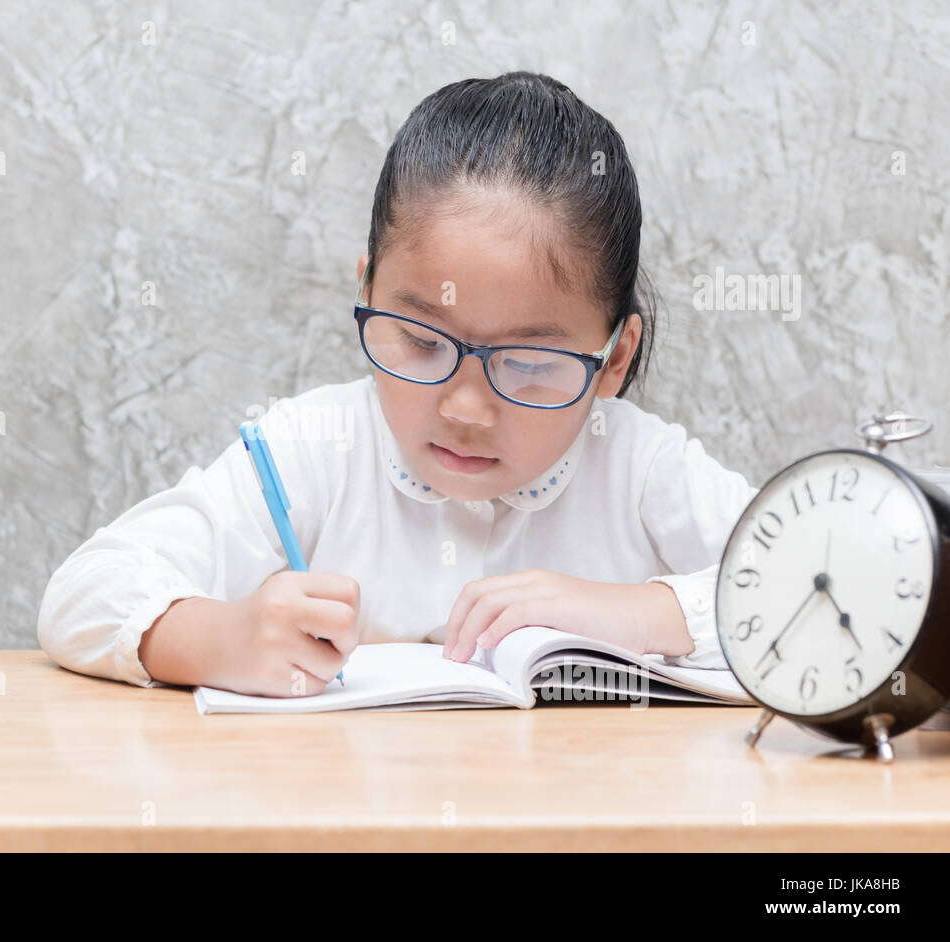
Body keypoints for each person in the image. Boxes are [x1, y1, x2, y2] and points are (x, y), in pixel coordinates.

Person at [38, 71, 759, 698]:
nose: (466, 408)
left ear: (613, 359)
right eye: (420, 340)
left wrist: (637, 611)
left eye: (531, 364)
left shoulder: (640, 468)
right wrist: (220, 637)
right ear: (367, 287)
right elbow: (83, 593)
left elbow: (842, 583)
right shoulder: (314, 448)